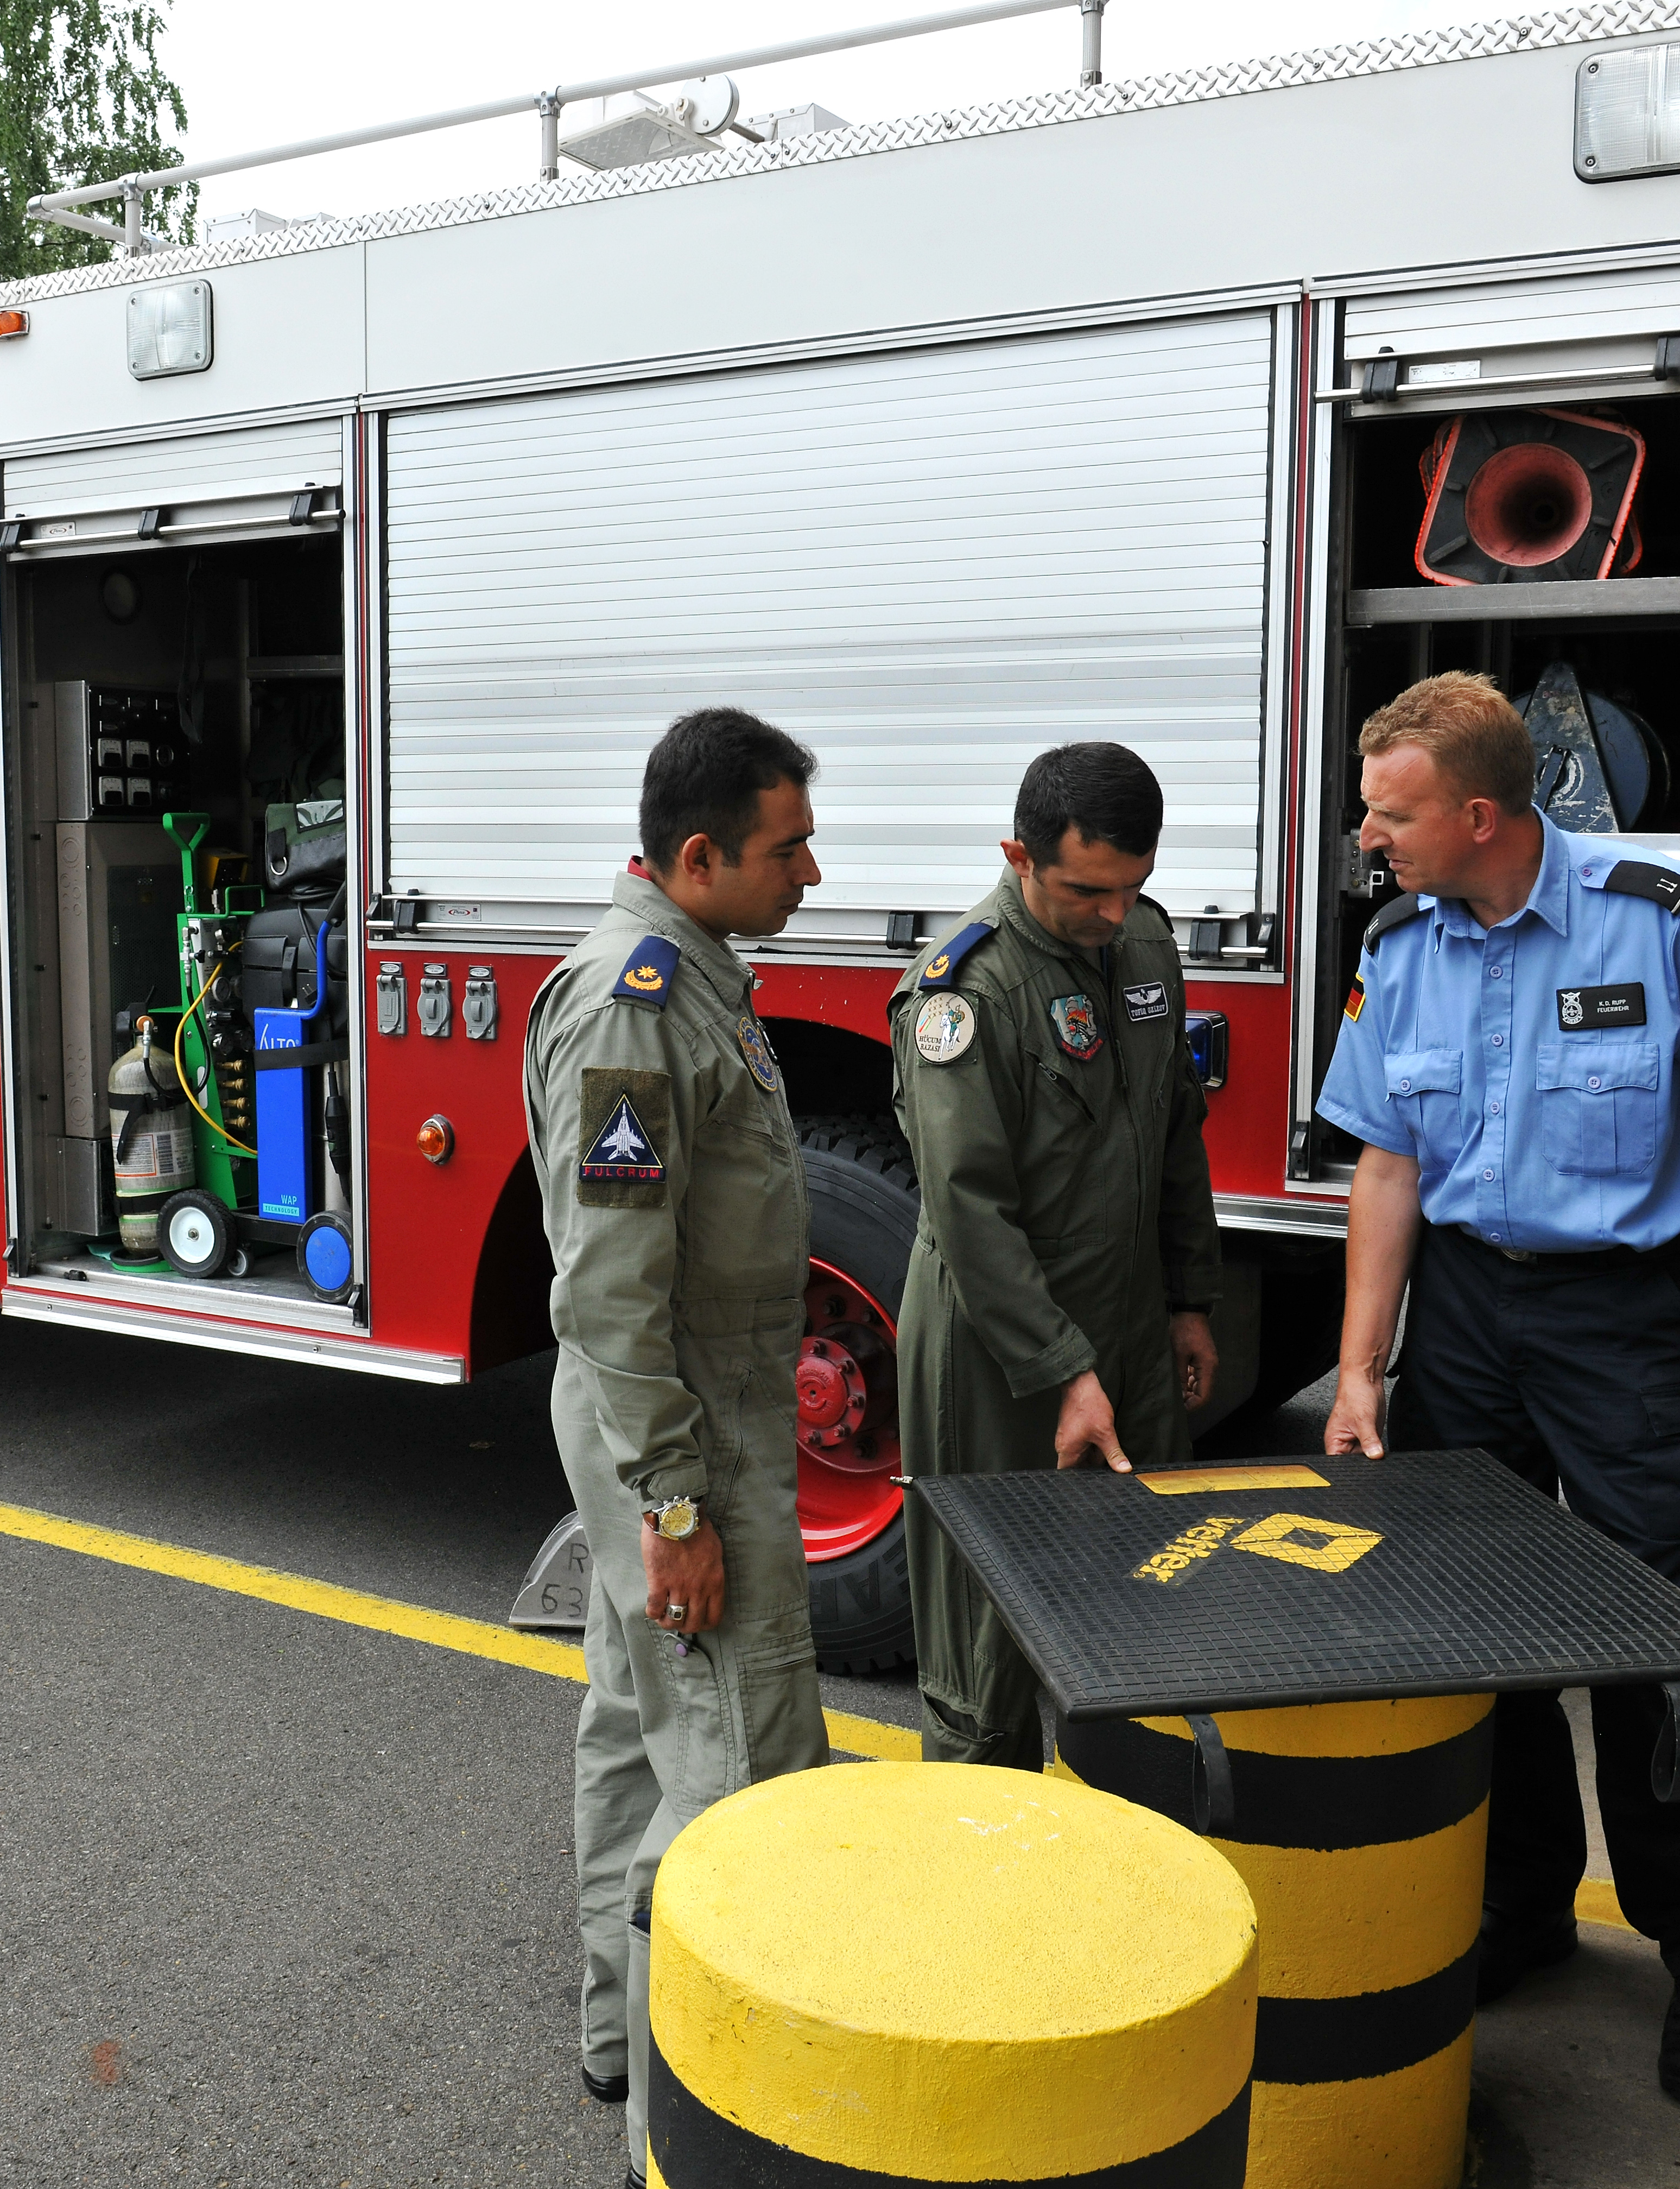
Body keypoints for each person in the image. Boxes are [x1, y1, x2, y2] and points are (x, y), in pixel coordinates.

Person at [1315, 669, 1680, 2110]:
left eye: (1390, 814)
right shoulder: (1401, 941)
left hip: (1625, 1313)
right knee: (1474, 1624)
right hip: (1468, 1310)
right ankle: (1520, 1904)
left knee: (1655, 1632)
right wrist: (1359, 1369)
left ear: (1481, 815)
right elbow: (1389, 1167)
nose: (1366, 837)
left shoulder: (1658, 914)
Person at [522, 708, 833, 2185]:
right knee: (732, 1766)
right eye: (788, 849)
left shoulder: (686, 972)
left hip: (671, 1415)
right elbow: (610, 1286)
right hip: (682, 1423)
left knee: (637, 1722)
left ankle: (619, 2037)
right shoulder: (637, 1003)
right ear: (699, 856)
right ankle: (695, 2132)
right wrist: (679, 1505)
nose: (812, 874)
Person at [890, 741, 1223, 1769]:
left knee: (1142, 1590)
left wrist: (1189, 1300)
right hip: (1000, 1352)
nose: (1115, 913)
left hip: (1129, 1317)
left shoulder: (1145, 945)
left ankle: (1118, 1833)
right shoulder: (966, 994)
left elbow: (1174, 1132)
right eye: (1087, 891)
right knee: (987, 1644)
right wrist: (1064, 1372)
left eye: (1134, 886)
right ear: (1019, 857)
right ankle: (981, 1847)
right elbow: (970, 1213)